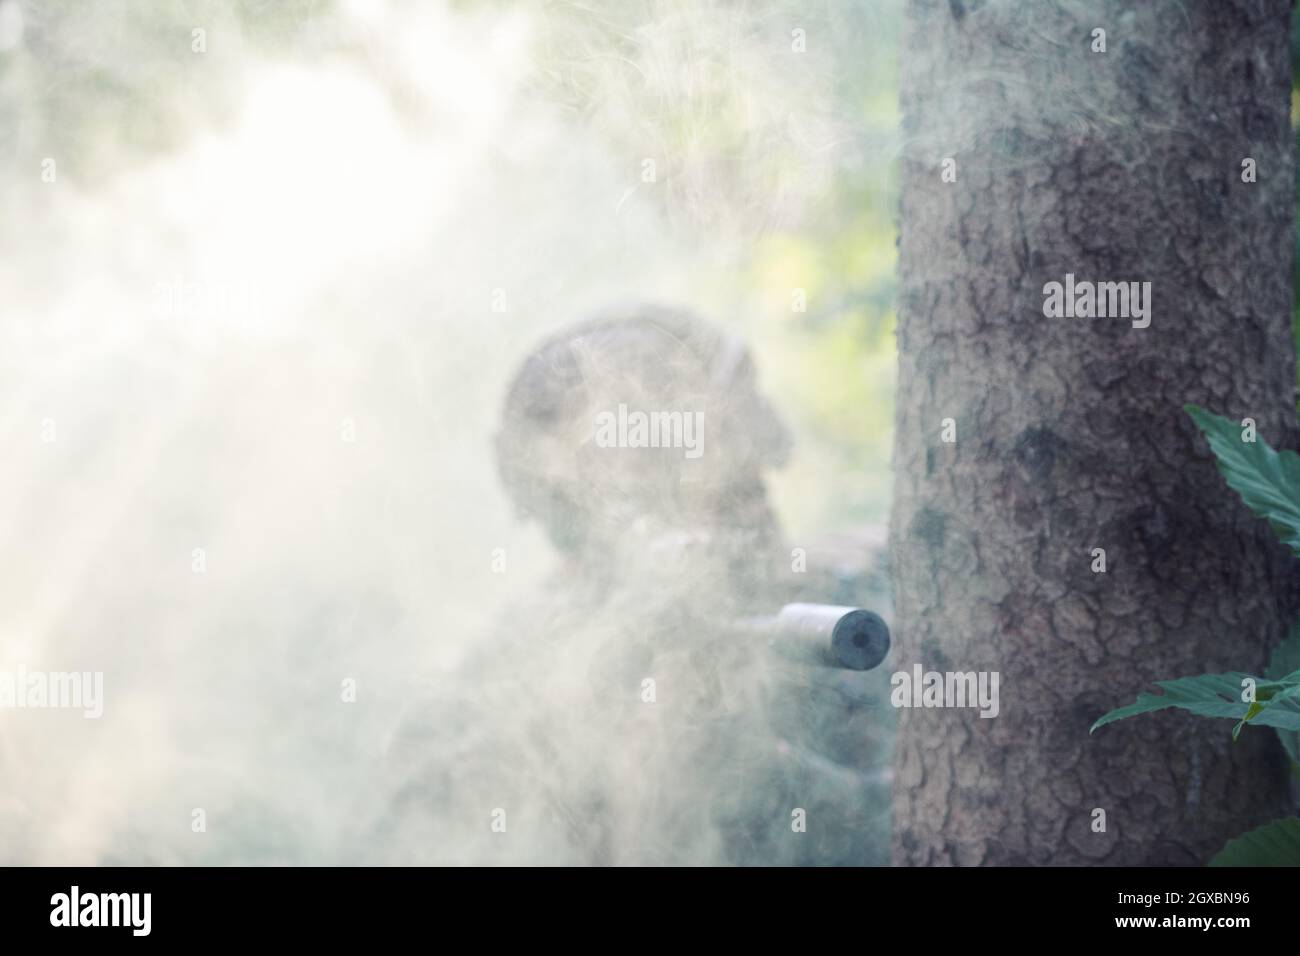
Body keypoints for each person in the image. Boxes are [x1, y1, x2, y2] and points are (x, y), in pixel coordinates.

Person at [371, 304, 891, 864]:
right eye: (728, 457)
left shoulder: (857, 602)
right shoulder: (486, 702)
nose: (774, 460)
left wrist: (762, 771)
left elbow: (964, 820)